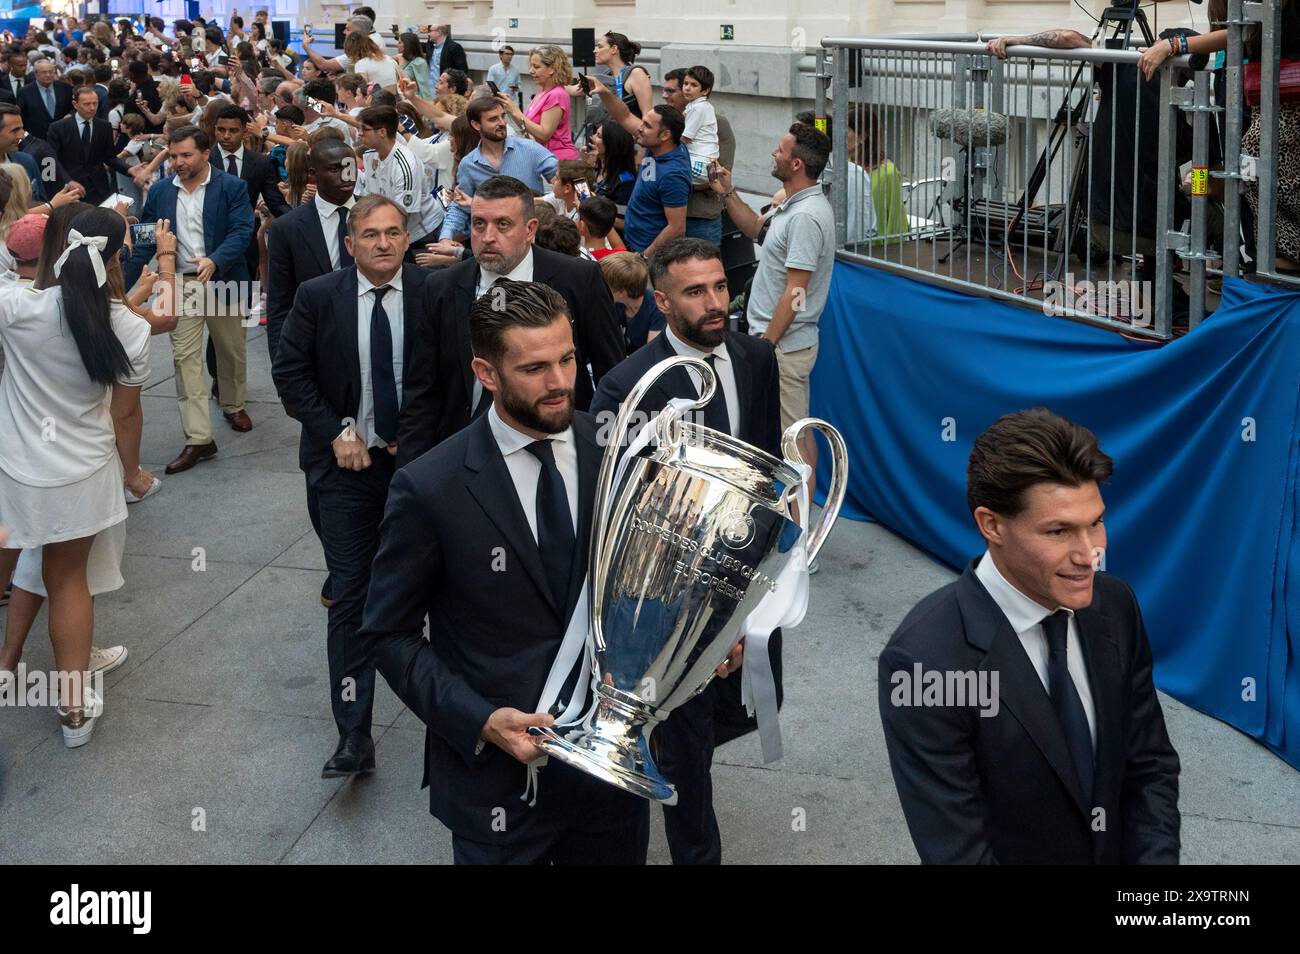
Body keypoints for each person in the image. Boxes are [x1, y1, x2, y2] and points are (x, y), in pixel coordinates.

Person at [361, 278, 649, 864]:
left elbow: (642, 586)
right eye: (535, 368)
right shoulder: (430, 486)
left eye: (568, 359)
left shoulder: (616, 452)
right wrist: (483, 721)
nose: (560, 383)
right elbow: (387, 635)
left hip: (609, 787)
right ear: (486, 374)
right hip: (494, 788)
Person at [879, 409, 1182, 863]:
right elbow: (959, 851)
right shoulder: (925, 661)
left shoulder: (1115, 605)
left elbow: (1148, 765)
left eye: (1095, 523)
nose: (1090, 555)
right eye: (1059, 531)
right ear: (992, 524)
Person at [589, 237, 780, 863]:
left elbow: (765, 476)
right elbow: (615, 508)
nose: (715, 302)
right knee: (669, 748)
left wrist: (741, 614)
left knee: (698, 750)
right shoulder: (627, 386)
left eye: (721, 286)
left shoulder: (756, 358)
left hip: (729, 582)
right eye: (696, 292)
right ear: (662, 303)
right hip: (653, 600)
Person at [0, 208, 173, 747]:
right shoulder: (124, 322)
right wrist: (133, 474)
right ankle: (74, 715)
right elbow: (125, 413)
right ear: (117, 256)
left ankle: (9, 668)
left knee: (28, 564)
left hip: (19, 470)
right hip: (85, 472)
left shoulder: (15, 306)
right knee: (69, 579)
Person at [273, 195, 432, 778]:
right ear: (350, 244)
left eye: (393, 232)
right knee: (350, 595)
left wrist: (413, 441)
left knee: (441, 590)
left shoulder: (433, 294)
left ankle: (462, 715)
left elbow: (445, 378)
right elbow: (290, 375)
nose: (384, 243)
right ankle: (354, 733)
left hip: (419, 472)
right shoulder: (319, 298)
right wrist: (337, 430)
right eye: (371, 234)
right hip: (345, 474)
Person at [397, 174, 623, 466]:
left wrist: (602, 456)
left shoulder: (579, 279)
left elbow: (612, 374)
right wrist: (410, 471)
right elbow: (422, 390)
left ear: (530, 229)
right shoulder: (440, 288)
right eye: (479, 224)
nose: (488, 236)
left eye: (503, 224)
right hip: (466, 454)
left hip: (558, 450)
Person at [708, 124, 835, 505]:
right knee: (781, 439)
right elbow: (753, 229)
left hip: (782, 348)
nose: (773, 155)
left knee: (795, 441)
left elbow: (796, 293)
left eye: (779, 151)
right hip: (772, 344)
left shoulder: (807, 217)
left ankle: (803, 541)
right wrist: (727, 192)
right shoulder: (791, 204)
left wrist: (766, 345)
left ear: (795, 163)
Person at [123, 125, 255, 473]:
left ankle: (232, 403)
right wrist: (121, 279)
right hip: (177, 280)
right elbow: (149, 235)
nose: (178, 162)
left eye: (186, 155)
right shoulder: (163, 190)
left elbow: (243, 231)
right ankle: (199, 438)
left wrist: (216, 259)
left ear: (205, 154)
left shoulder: (233, 187)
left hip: (225, 277)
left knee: (231, 349)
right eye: (174, 155)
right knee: (184, 358)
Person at [436, 97, 557, 244]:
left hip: (533, 239)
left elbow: (566, 179)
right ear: (476, 125)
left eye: (503, 116)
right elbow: (459, 206)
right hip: (492, 242)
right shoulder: (468, 164)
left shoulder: (530, 149)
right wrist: (445, 237)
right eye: (493, 119)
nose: (502, 123)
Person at [355, 104, 443, 252]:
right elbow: (372, 196)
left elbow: (402, 214)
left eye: (365, 129)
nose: (359, 134)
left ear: (382, 132)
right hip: (394, 230)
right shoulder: (370, 155)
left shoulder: (405, 165)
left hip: (423, 234)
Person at [44, 86, 131, 207]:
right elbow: (50, 160)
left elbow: (110, 157)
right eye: (87, 104)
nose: (92, 108)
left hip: (98, 189)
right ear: (75, 104)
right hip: (69, 190)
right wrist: (68, 181)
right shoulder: (58, 128)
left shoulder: (104, 126)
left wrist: (129, 169)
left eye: (95, 103)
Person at [496, 45, 579, 161]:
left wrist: (515, 110)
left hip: (556, 160)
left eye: (536, 67)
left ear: (552, 69)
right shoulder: (542, 90)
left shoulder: (557, 94)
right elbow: (526, 125)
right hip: (541, 156)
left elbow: (544, 134)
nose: (531, 71)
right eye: (531, 66)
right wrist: (510, 109)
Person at [597, 250, 665, 352]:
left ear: (620, 292)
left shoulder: (657, 309)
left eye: (604, 285)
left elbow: (651, 353)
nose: (599, 288)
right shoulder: (616, 302)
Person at [594, 32, 652, 118]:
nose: (595, 51)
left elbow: (647, 115)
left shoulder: (636, 73)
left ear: (614, 49)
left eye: (600, 47)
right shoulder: (607, 75)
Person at [679, 66, 719, 183]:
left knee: (664, 171)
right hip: (703, 164)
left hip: (699, 165)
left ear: (705, 91)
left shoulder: (698, 108)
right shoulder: (696, 106)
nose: (687, 88)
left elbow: (684, 139)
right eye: (685, 83)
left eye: (693, 85)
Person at [19, 58, 73, 140]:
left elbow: (73, 107)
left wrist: (71, 114)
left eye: (51, 72)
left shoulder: (65, 88)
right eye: (44, 72)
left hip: (63, 137)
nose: (48, 75)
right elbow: (21, 117)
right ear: (36, 74)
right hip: (36, 139)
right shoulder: (24, 92)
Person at [577, 195, 622, 259]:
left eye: (578, 218)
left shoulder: (575, 256)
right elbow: (620, 246)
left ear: (582, 226)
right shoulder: (619, 257)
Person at [425, 23, 467, 90]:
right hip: (430, 88)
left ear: (439, 32)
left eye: (431, 31)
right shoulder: (430, 46)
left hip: (446, 89)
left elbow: (462, 71)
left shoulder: (454, 47)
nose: (428, 34)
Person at [395, 31, 431, 98]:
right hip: (401, 98)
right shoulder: (400, 59)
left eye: (400, 42)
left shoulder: (420, 62)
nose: (397, 45)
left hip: (414, 100)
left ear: (407, 44)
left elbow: (424, 87)